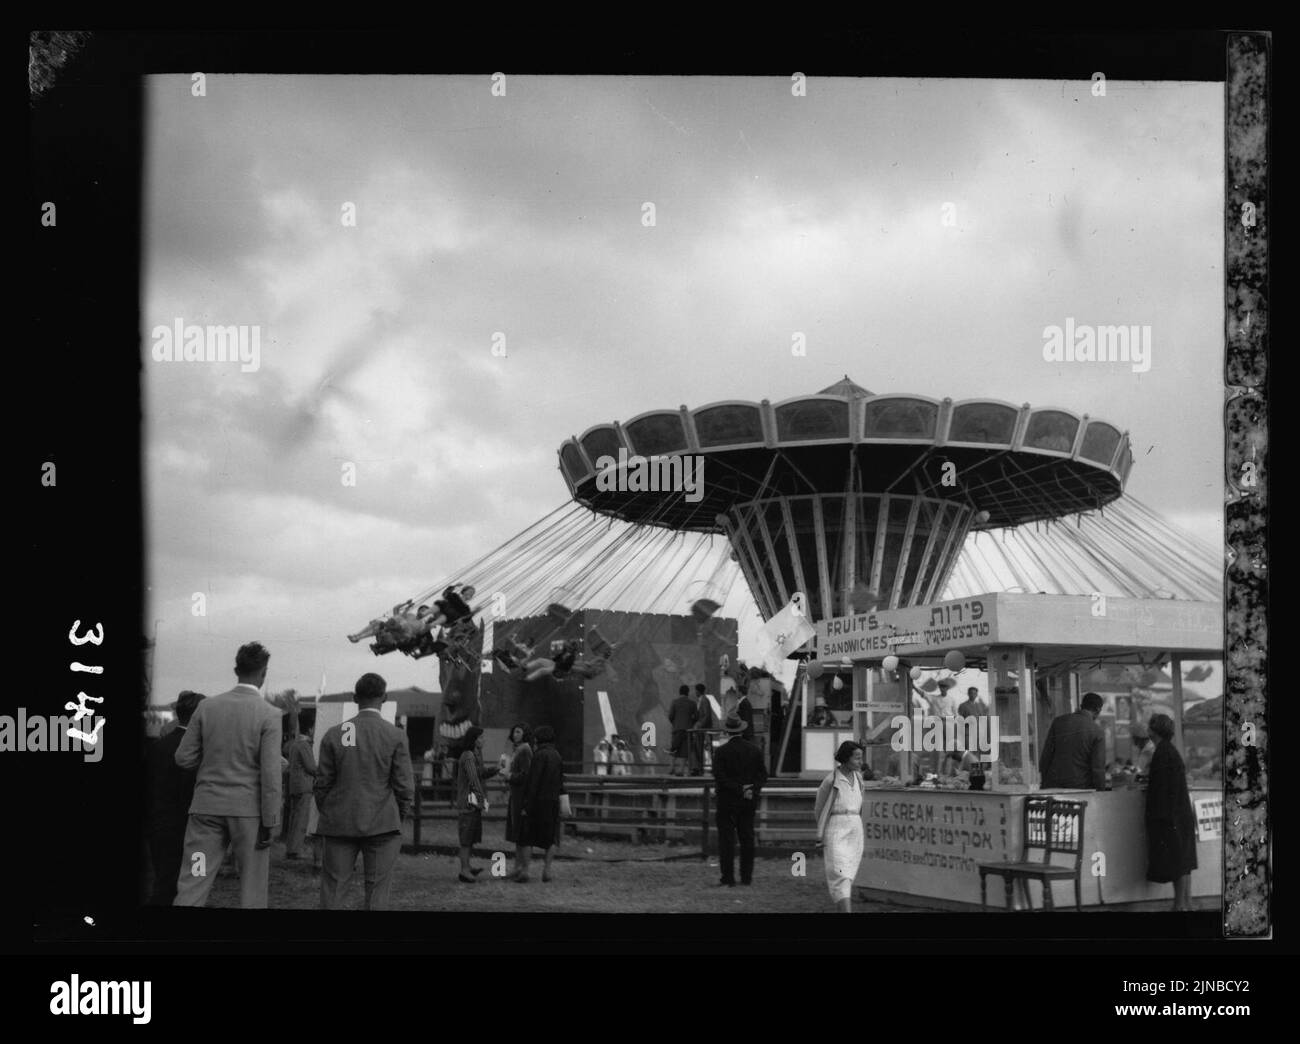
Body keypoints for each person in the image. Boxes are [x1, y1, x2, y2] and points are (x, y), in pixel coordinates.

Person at [173, 643, 282, 908]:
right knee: (252, 891)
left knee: (194, 881)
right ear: (264, 673)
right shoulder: (270, 714)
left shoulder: (206, 707)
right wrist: (272, 820)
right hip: (249, 814)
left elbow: (182, 757)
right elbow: (270, 773)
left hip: (205, 810)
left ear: (236, 669)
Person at [314, 674, 414, 910]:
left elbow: (322, 784)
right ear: (385, 698)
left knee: (334, 888)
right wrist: (399, 815)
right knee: (378, 891)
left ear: (355, 697)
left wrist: (329, 810)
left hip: (339, 821)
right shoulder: (395, 735)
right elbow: (405, 786)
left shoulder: (334, 734)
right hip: (383, 823)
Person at [146, 690, 205, 905]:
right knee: (192, 881)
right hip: (188, 826)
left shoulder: (157, 746)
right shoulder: (198, 750)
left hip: (158, 825)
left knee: (164, 879)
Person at [1144, 713, 1198, 911]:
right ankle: (1186, 903)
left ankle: (1179, 905)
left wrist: (1161, 817)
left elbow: (1163, 789)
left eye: (1149, 726)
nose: (1147, 730)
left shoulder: (1162, 752)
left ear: (1153, 730)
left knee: (1178, 861)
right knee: (1184, 860)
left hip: (1171, 815)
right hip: (1180, 814)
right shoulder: (1169, 750)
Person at [710, 712, 767, 887]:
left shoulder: (721, 752)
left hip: (727, 800)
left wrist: (737, 788)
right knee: (747, 838)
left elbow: (720, 777)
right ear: (742, 730)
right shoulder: (754, 750)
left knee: (726, 840)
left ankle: (728, 878)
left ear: (727, 732)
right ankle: (746, 877)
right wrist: (750, 789)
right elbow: (763, 775)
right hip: (748, 801)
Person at [814, 741, 866, 912]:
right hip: (836, 826)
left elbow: (860, 802)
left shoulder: (858, 778)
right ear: (845, 758)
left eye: (861, 758)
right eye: (857, 758)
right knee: (840, 873)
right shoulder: (831, 780)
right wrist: (820, 832)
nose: (860, 762)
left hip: (855, 828)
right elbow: (820, 808)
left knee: (848, 873)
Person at [521, 725, 567, 882]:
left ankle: (525, 871)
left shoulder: (539, 755)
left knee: (528, 837)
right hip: (553, 801)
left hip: (538, 801)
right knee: (551, 838)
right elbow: (561, 781)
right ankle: (547, 871)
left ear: (538, 739)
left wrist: (527, 805)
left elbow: (534, 781)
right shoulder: (557, 755)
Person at [454, 725, 499, 882]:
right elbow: (473, 779)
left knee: (471, 837)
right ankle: (464, 870)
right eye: (480, 737)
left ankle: (467, 867)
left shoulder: (475, 754)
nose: (483, 740)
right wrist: (481, 800)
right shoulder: (468, 756)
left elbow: (481, 773)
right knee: (466, 839)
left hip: (473, 803)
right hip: (468, 803)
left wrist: (496, 769)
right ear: (474, 740)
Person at [1039, 691, 1110, 791]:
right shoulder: (1097, 731)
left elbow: (1046, 756)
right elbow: (1098, 768)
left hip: (1053, 786)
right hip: (1079, 788)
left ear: (1081, 705)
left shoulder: (1058, 722)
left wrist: (1042, 784)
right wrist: (1101, 791)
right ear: (1098, 710)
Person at [285, 708, 318, 859]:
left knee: (294, 818)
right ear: (311, 729)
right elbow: (311, 767)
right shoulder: (304, 746)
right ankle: (295, 850)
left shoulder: (295, 744)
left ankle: (291, 848)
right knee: (301, 820)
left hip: (294, 785)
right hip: (304, 786)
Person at [504, 723, 534, 880]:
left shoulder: (525, 750)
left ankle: (525, 869)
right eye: (514, 731)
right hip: (515, 795)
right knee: (518, 834)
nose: (515, 734)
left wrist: (510, 777)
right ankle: (517, 867)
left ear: (524, 733)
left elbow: (526, 775)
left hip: (522, 797)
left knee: (523, 834)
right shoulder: (517, 750)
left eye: (518, 731)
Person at [668, 684, 698, 776]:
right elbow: (696, 716)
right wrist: (691, 723)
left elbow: (670, 716)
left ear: (679, 692)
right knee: (686, 750)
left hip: (677, 730)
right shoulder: (692, 703)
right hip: (688, 731)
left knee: (674, 749)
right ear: (688, 693)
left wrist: (675, 724)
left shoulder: (675, 702)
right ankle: (683, 770)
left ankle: (672, 768)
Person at [689, 683, 715, 774]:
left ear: (698, 691)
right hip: (700, 730)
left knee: (705, 749)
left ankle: (709, 768)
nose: (694, 692)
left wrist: (699, 725)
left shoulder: (705, 700)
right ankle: (699, 768)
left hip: (704, 729)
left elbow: (706, 716)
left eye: (695, 690)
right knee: (698, 748)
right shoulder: (700, 700)